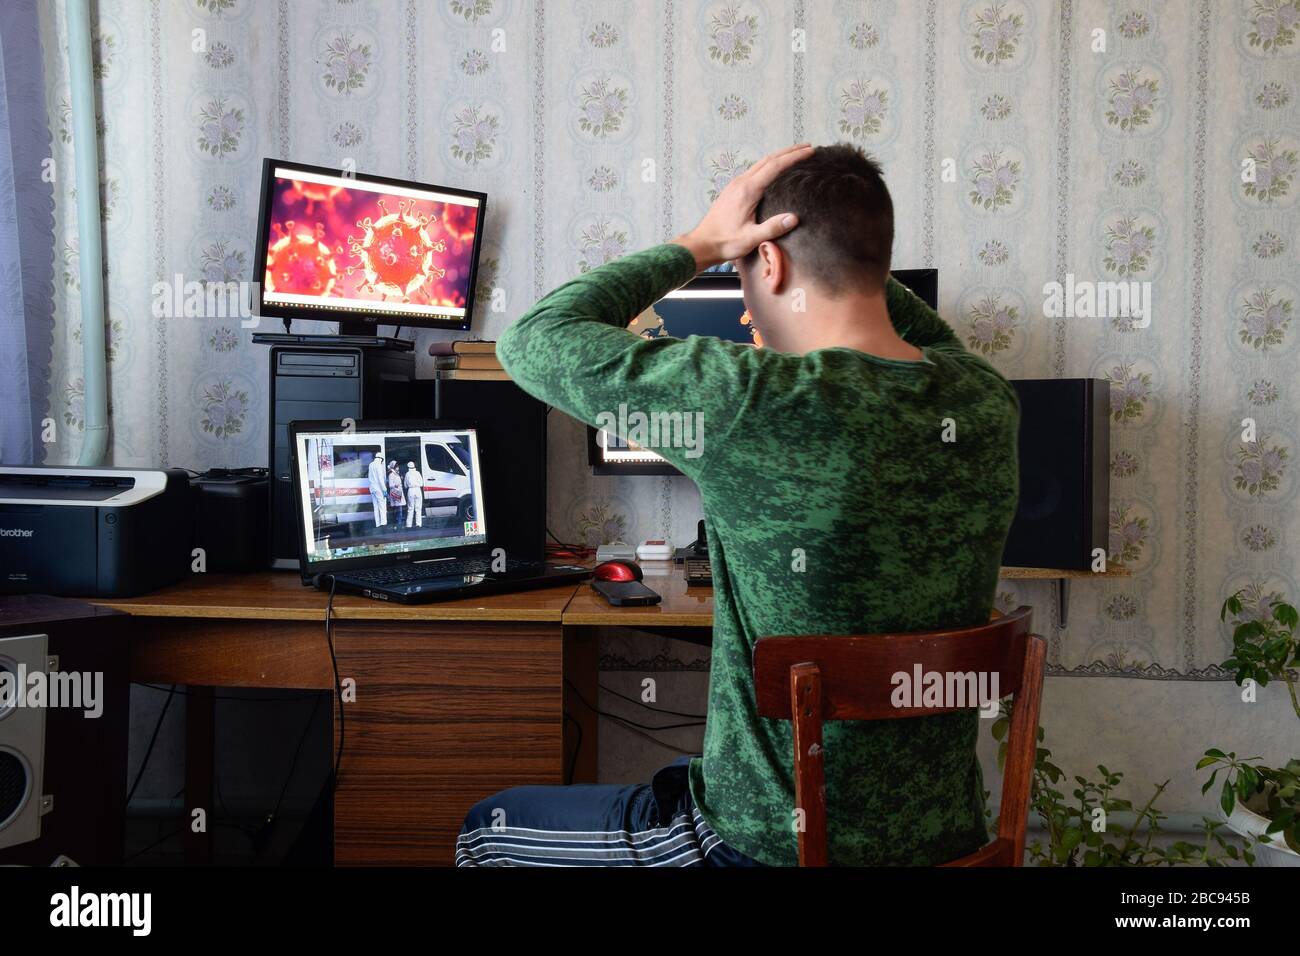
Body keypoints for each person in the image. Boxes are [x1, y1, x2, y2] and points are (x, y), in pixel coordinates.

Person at [457, 143, 1020, 867]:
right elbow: (918, 330)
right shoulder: (984, 400)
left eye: (745, 278)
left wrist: (702, 244)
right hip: (944, 843)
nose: (749, 309)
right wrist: (831, 236)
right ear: (874, 265)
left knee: (487, 828)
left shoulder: (751, 400)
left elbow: (534, 341)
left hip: (760, 846)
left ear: (772, 264)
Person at [366, 452, 387, 529]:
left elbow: (369, 476)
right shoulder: (379, 465)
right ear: (381, 459)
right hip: (379, 488)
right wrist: (384, 490)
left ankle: (377, 524)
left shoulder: (371, 464)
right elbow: (381, 479)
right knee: (382, 506)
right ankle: (383, 524)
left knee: (375, 507)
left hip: (372, 487)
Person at [404, 461, 423, 528]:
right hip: (418, 490)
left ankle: (408, 525)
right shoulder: (418, 473)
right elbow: (421, 483)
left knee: (410, 508)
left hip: (410, 490)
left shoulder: (407, 474)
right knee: (418, 508)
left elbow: (405, 485)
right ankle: (418, 524)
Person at [387, 459, 405, 530]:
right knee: (398, 509)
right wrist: (397, 485)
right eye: (397, 466)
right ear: (394, 467)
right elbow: (391, 485)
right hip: (395, 492)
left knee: (398, 508)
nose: (398, 467)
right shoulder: (391, 474)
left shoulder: (396, 474)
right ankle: (398, 524)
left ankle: (397, 523)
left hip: (398, 492)